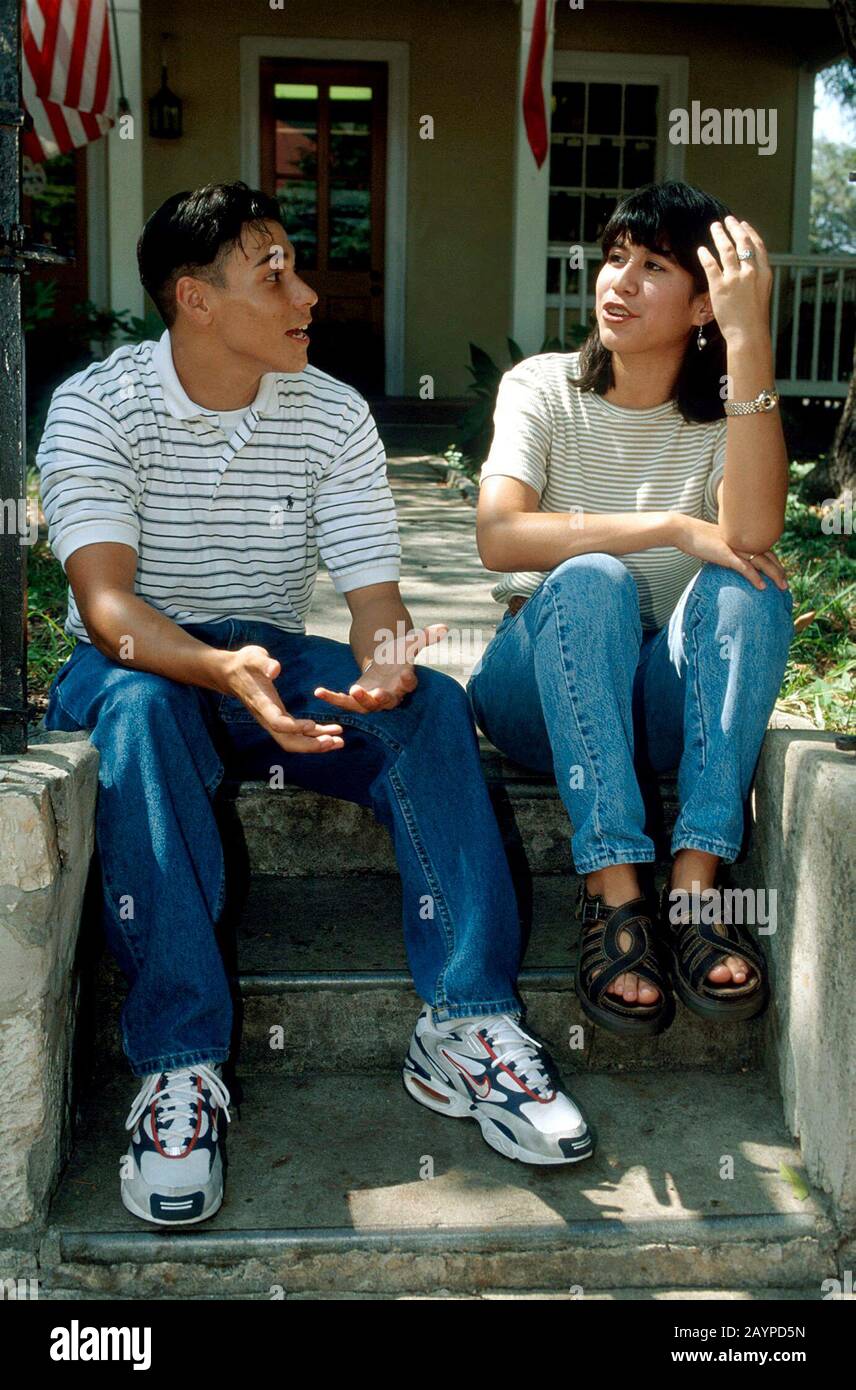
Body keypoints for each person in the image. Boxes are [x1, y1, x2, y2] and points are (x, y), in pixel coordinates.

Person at [37, 183, 594, 1227]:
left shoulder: (330, 410)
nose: (307, 294)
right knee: (144, 714)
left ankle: (466, 1025)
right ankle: (179, 1072)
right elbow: (108, 608)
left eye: (296, 266)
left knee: (428, 707)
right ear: (193, 299)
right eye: (273, 273)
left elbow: (377, 606)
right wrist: (218, 670)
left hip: (274, 653)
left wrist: (385, 667)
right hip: (139, 664)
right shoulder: (98, 404)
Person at [467, 180, 793, 1038]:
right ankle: (614, 894)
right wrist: (669, 526)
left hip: (648, 697)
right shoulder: (542, 387)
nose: (619, 281)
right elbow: (500, 537)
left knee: (749, 582)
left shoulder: (725, 411)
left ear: (701, 306)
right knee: (594, 577)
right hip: (532, 685)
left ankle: (692, 890)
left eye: (652, 266)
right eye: (615, 258)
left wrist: (749, 339)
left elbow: (753, 531)